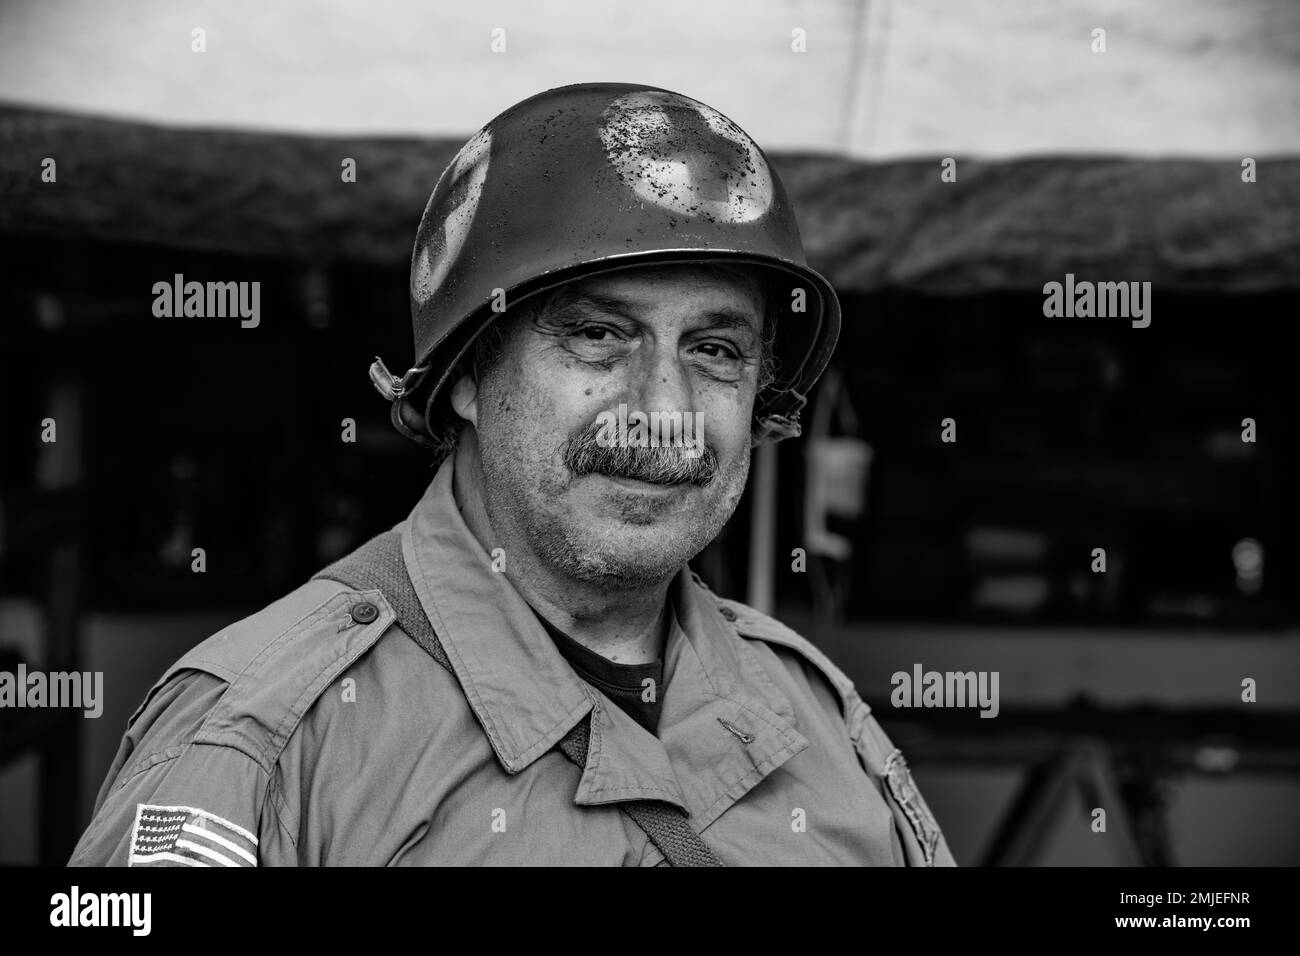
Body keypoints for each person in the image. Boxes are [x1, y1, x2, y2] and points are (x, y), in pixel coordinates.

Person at [70, 83, 955, 866]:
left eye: (715, 349)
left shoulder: (820, 719)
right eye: (599, 335)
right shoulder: (263, 739)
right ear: (465, 377)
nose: (663, 408)